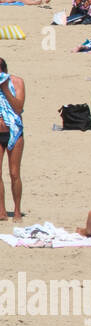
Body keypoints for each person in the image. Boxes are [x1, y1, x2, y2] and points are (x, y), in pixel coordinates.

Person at [0, 58, 24, 220]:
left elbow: (18, 107)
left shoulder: (17, 82)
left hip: (14, 132)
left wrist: (5, 89)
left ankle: (16, 210)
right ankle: (1, 211)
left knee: (14, 173)